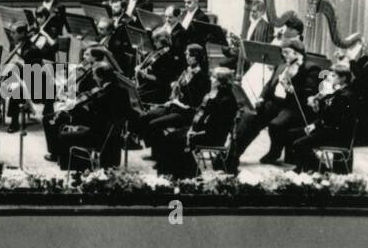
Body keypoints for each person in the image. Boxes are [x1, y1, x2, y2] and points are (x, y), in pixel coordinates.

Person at [228, 37, 318, 171]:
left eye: (287, 52)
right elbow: (269, 84)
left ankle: (274, 152)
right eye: (283, 52)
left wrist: (290, 83)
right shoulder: (281, 65)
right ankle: (233, 155)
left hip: (291, 106)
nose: (284, 55)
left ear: (297, 53)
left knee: (276, 124)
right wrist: (262, 98)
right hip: (273, 102)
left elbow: (307, 93)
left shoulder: (310, 68)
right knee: (250, 117)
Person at [152, 67, 241, 178]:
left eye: (213, 78)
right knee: (171, 137)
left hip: (212, 137)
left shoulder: (226, 100)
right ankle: (174, 173)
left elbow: (217, 127)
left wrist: (196, 133)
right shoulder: (219, 95)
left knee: (172, 140)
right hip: (204, 131)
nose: (211, 80)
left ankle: (180, 174)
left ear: (221, 82)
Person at [290, 65, 356, 173]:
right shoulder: (338, 93)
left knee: (299, 144)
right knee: (293, 134)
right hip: (330, 130)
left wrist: (321, 102)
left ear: (343, 78)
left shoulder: (345, 95)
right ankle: (309, 168)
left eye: (333, 75)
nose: (330, 78)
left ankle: (312, 169)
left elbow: (331, 118)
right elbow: (326, 116)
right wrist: (314, 123)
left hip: (337, 135)